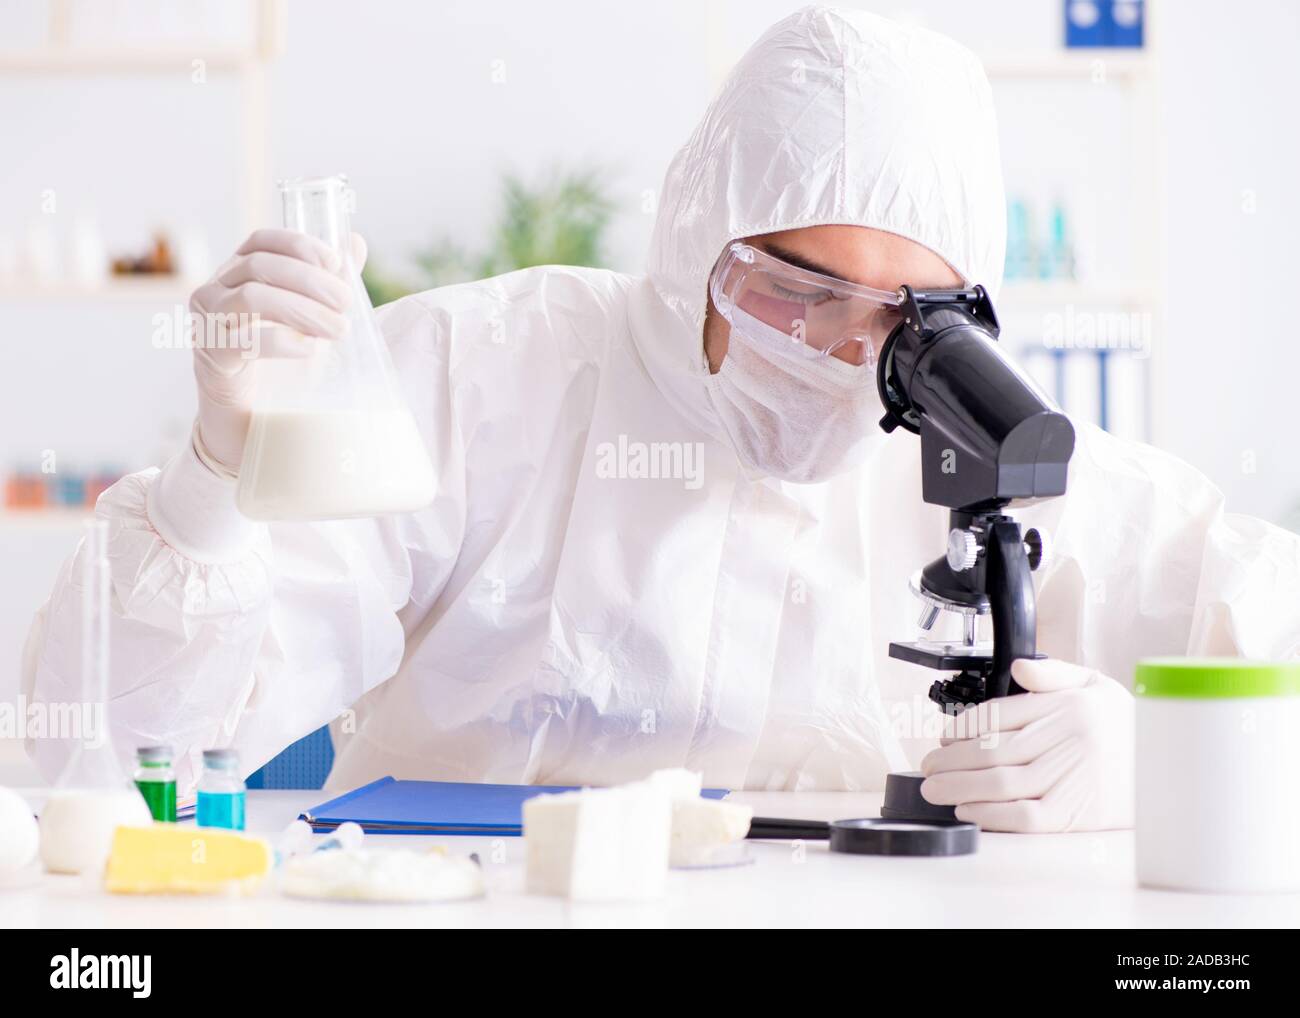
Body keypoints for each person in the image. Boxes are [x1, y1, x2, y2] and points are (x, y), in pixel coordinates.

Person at [23, 7, 1300, 832]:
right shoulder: (485, 373)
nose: (834, 353)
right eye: (787, 292)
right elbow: (112, 762)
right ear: (696, 243)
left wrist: (1184, 759)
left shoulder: (996, 453)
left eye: (897, 320)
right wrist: (211, 476)